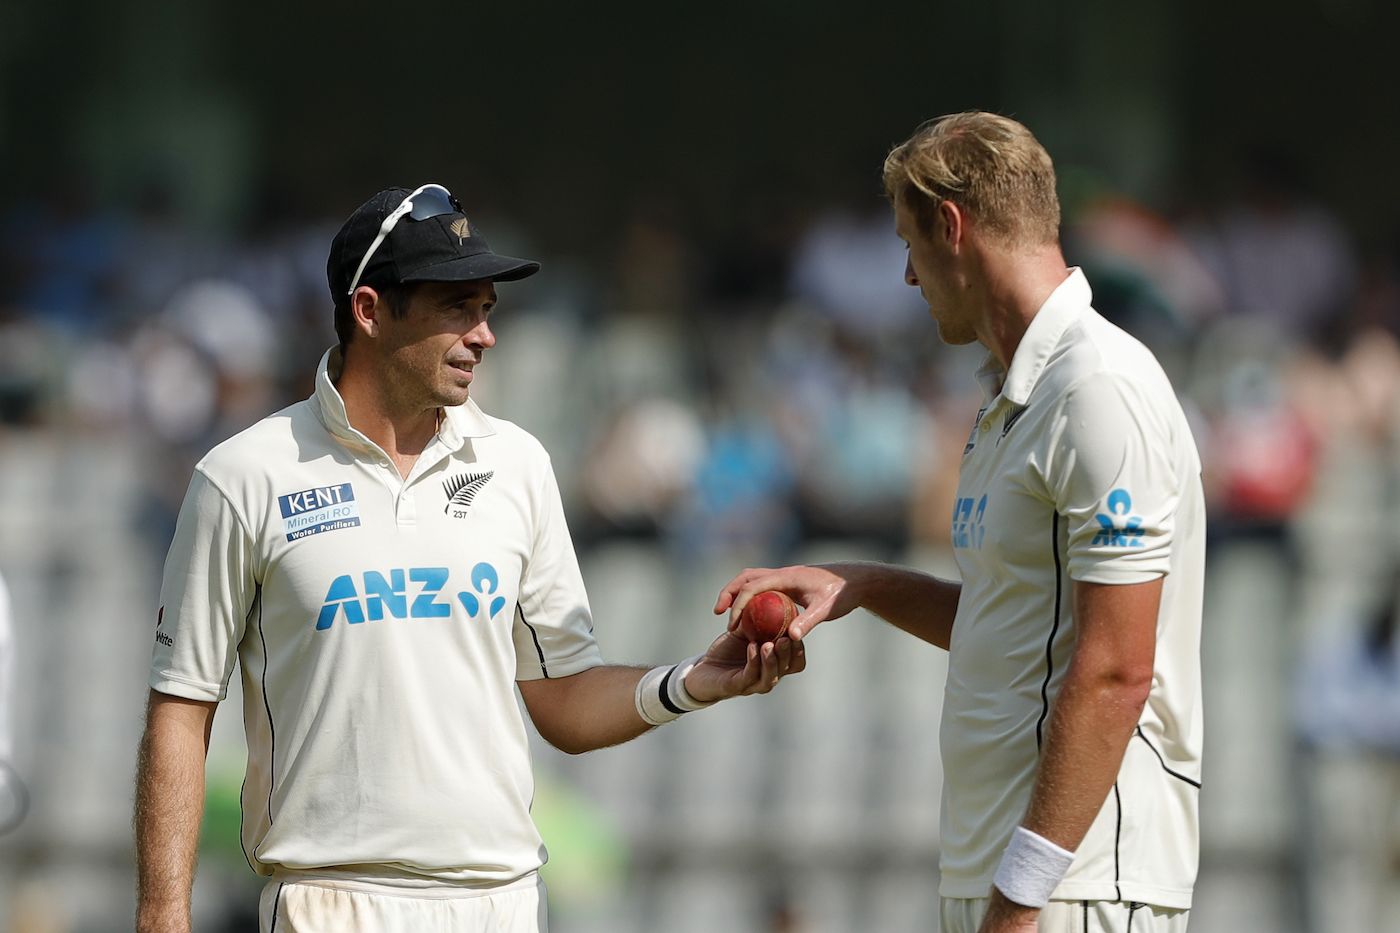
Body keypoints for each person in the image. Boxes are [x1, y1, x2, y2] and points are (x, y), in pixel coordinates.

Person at [134, 184, 805, 933]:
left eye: (486, 308)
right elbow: (180, 708)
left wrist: (692, 681)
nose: (483, 335)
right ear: (369, 310)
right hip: (328, 902)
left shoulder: (518, 465)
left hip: (503, 901)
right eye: (457, 307)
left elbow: (564, 700)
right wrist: (164, 915)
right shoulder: (243, 476)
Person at [718, 113, 1204, 933]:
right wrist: (862, 585)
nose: (908, 278)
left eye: (909, 245)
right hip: (1010, 879)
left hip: (1074, 887)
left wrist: (1020, 897)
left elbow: (1117, 668)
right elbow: (1017, 622)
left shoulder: (1097, 388)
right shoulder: (1014, 397)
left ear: (951, 226)